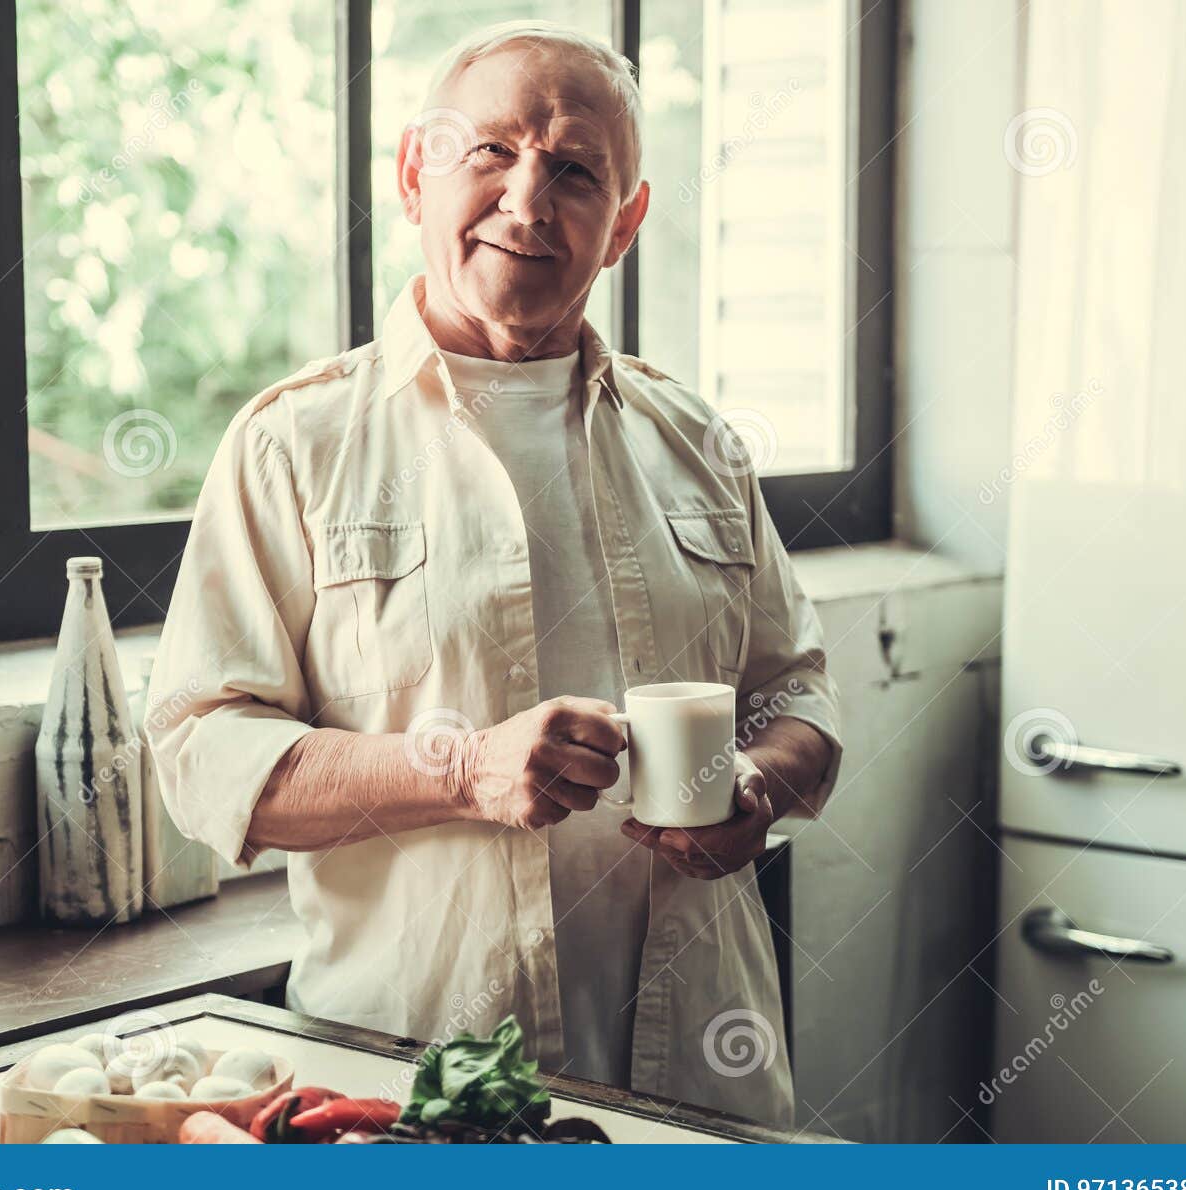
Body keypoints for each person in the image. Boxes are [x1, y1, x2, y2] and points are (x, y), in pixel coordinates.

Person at [147, 19, 840, 1126]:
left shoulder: (698, 441)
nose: (528, 201)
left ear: (625, 223)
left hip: (704, 1086)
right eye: (491, 153)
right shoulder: (295, 444)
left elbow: (798, 692)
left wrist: (755, 785)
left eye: (575, 171)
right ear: (416, 172)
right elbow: (201, 756)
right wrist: (461, 769)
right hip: (415, 1091)